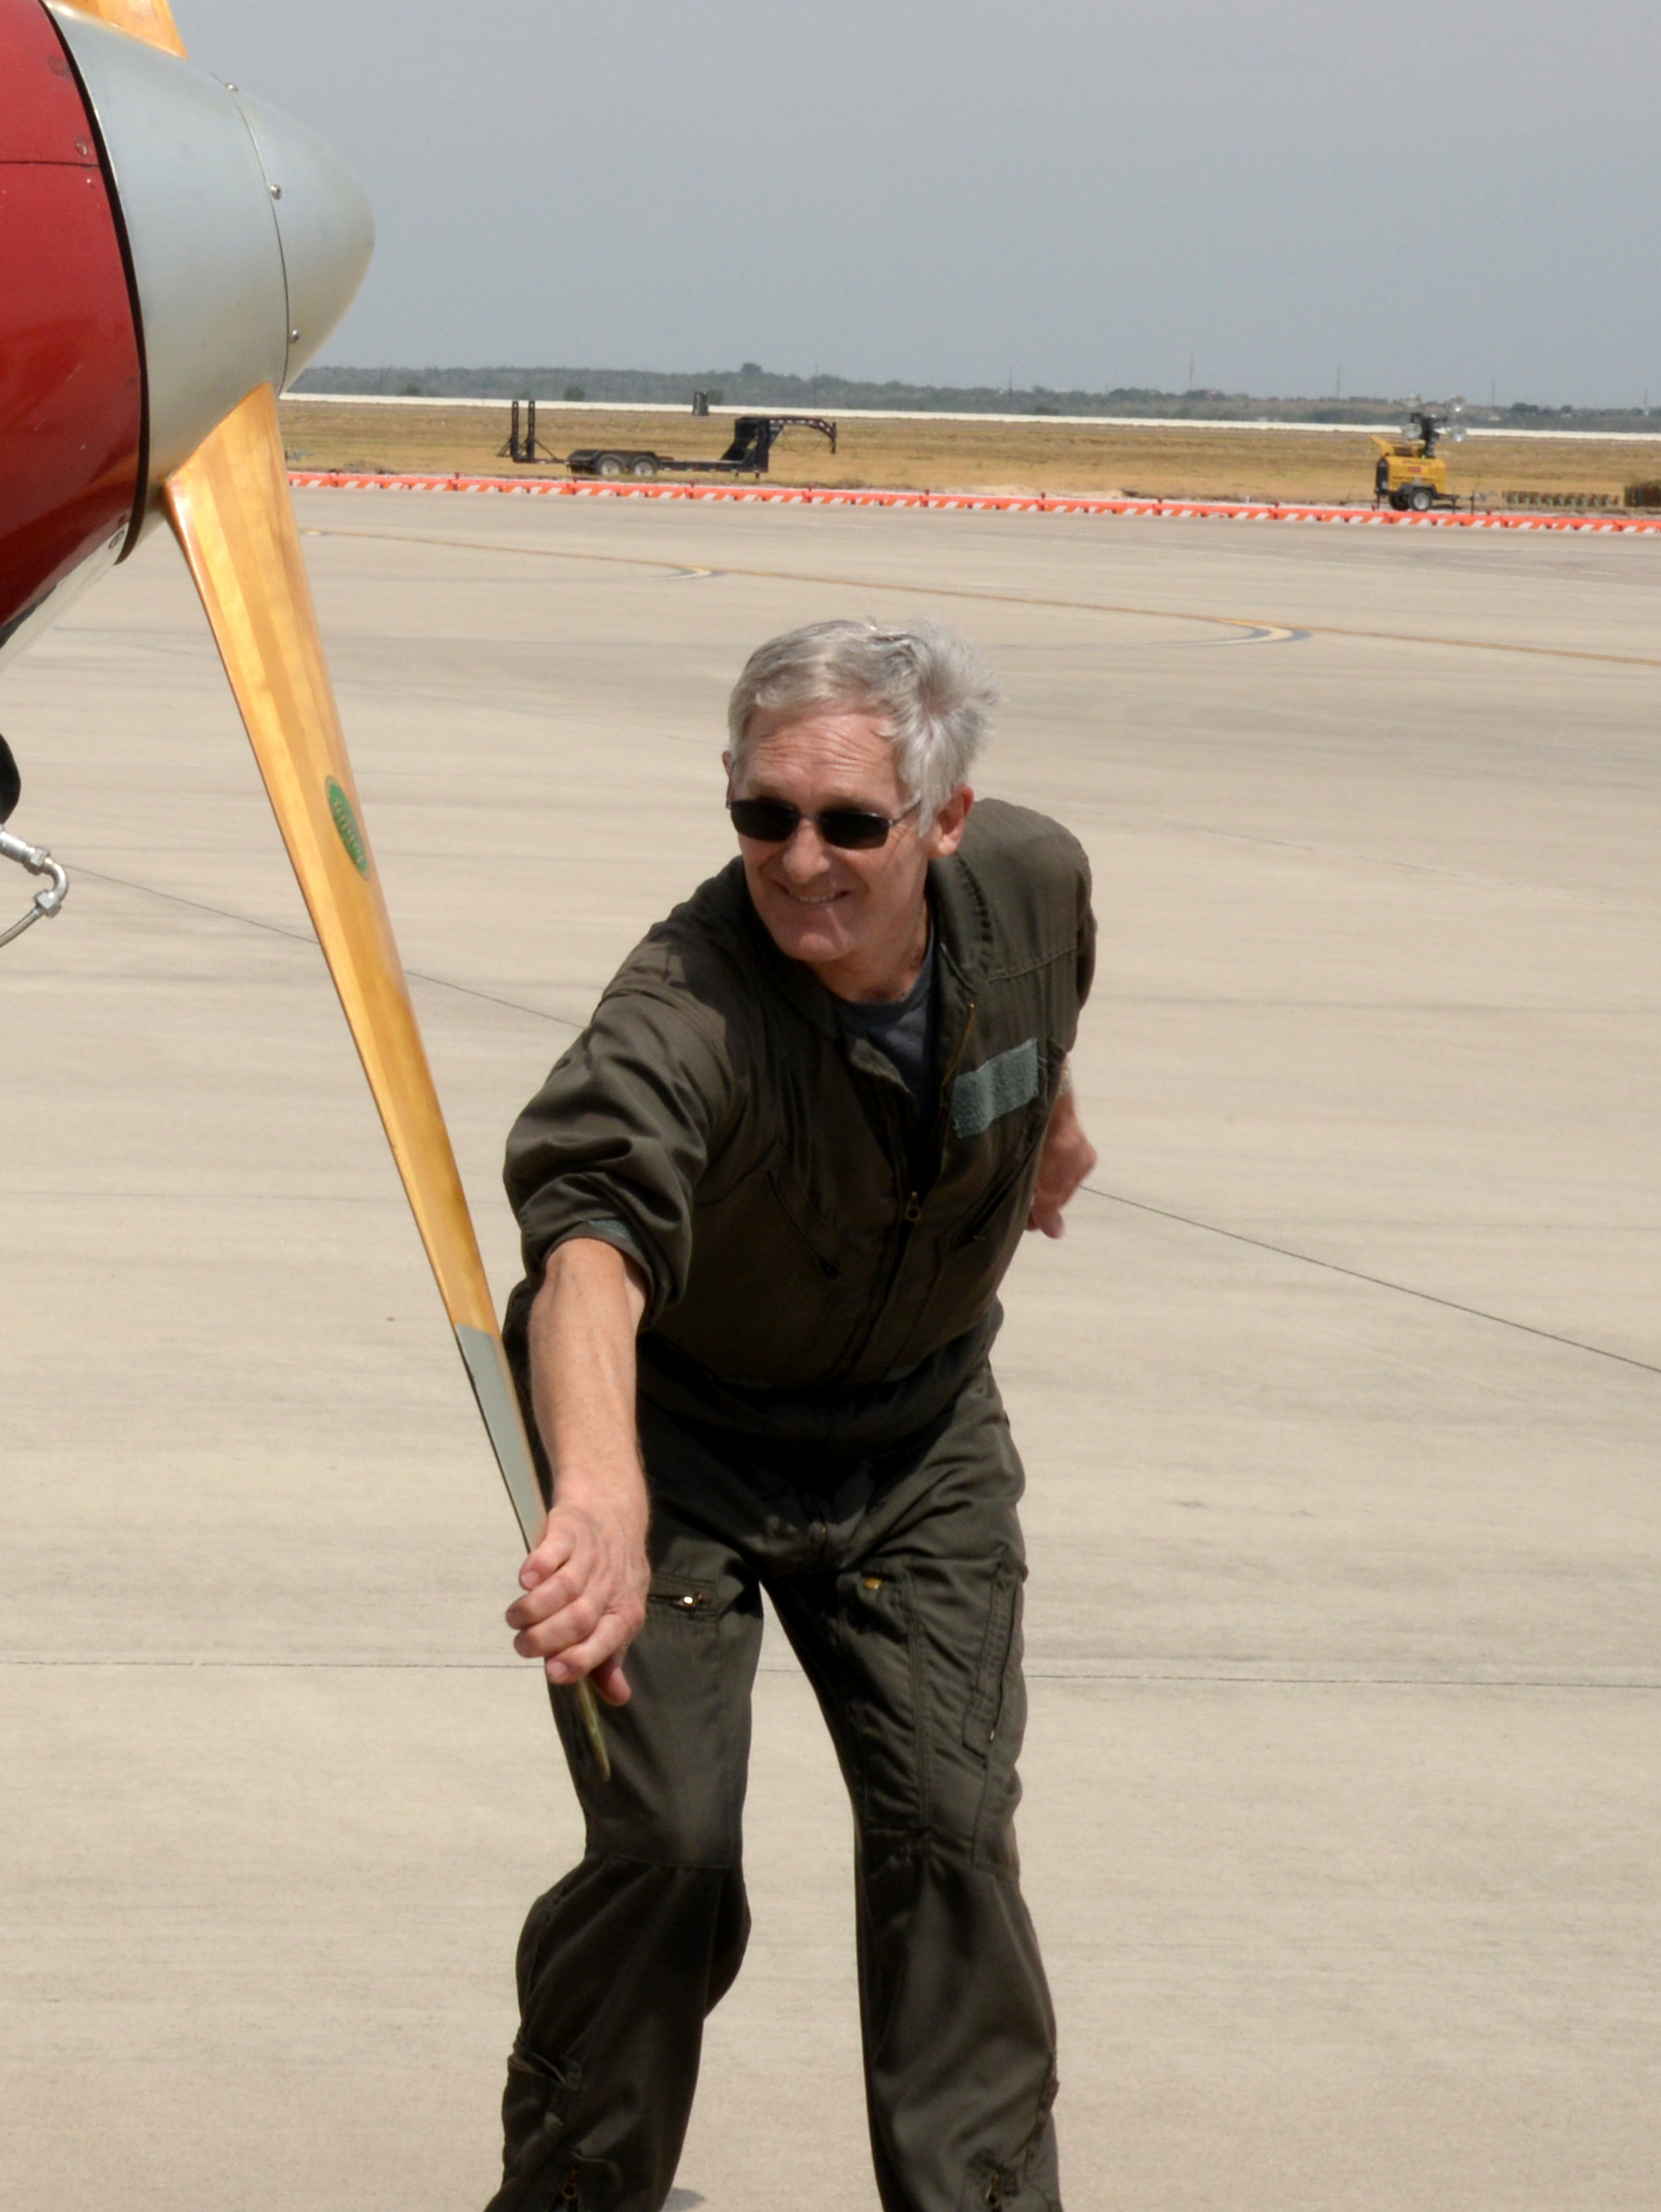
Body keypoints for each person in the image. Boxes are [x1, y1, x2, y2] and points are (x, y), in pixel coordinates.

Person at [493, 618, 1100, 2212]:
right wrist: (602, 1497)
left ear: (946, 822)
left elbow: (1046, 1005)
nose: (800, 860)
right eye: (763, 815)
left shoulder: (1032, 877)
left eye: (849, 823)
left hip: (915, 1440)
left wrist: (1053, 1133)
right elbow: (589, 1251)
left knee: (951, 1831)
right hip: (679, 1447)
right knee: (672, 1854)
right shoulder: (687, 1004)